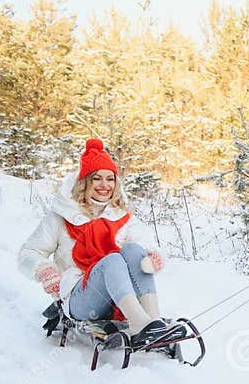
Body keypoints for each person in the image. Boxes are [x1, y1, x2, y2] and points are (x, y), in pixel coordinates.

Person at [18, 138, 170, 348]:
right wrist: (44, 270)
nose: (104, 185)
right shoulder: (60, 217)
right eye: (97, 178)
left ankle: (153, 320)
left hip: (120, 295)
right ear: (84, 182)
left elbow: (143, 241)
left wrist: (153, 255)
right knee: (112, 260)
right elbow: (29, 252)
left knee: (134, 250)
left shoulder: (121, 216)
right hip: (80, 297)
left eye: (110, 179)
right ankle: (138, 323)